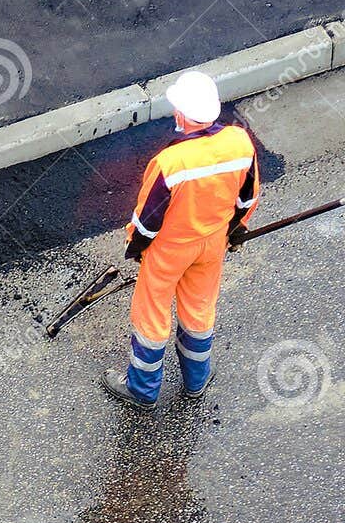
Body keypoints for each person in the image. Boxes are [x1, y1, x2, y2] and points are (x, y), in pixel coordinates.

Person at [105, 69, 259, 409]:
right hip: (213, 244)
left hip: (169, 251)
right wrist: (236, 229)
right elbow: (247, 198)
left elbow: (147, 221)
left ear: (181, 115)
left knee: (152, 315)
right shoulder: (240, 142)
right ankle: (196, 380)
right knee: (199, 309)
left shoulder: (170, 162)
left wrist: (136, 248)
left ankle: (142, 390)